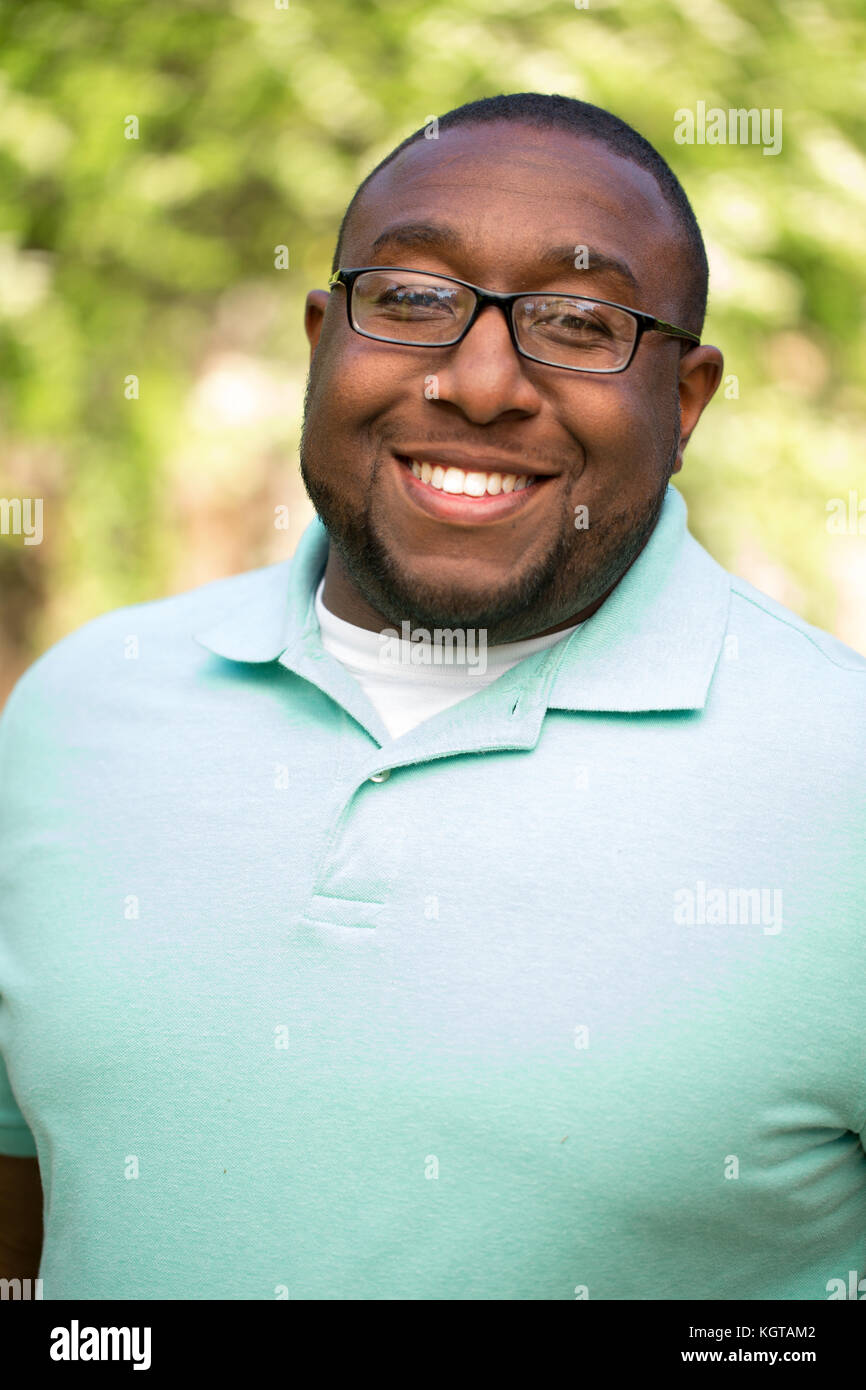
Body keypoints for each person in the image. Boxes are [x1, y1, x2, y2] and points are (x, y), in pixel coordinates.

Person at [1, 92, 864, 1302]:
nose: (477, 381)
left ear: (686, 400)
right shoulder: (80, 709)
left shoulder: (843, 780)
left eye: (578, 319)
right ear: (320, 340)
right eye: (409, 299)